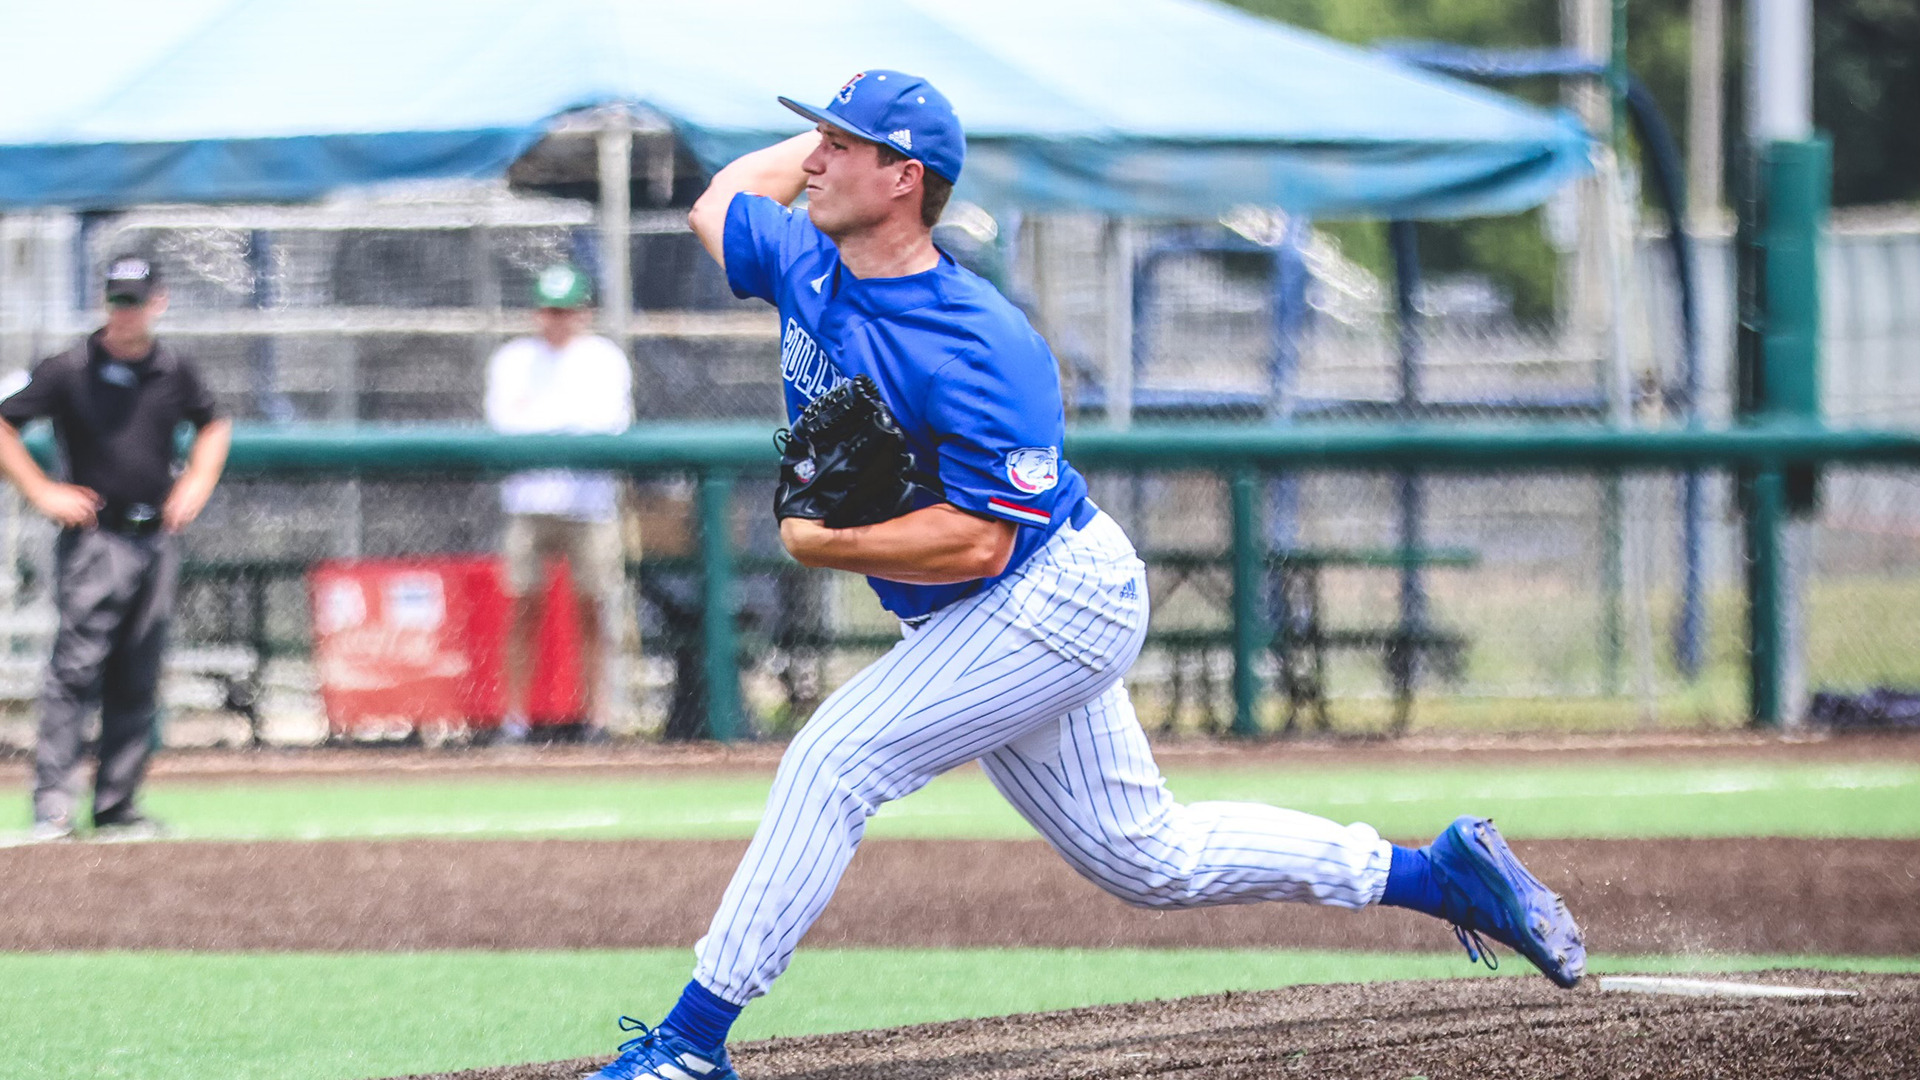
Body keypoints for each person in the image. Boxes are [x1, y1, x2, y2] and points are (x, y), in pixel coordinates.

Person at [582, 72, 1586, 1080]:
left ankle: (689, 1044)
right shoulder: (805, 264)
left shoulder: (984, 342)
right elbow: (717, 205)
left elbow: (978, 542)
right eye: (820, 142)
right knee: (1149, 860)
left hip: (1054, 596)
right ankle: (1440, 877)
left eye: (843, 144)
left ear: (904, 178)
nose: (818, 159)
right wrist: (804, 154)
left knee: (835, 761)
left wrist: (827, 545)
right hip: (968, 620)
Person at [0, 255, 230, 843]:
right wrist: (41, 490)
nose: (125, 312)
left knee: (139, 673)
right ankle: (53, 808)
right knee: (75, 671)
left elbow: (214, 423)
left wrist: (197, 482)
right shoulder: (70, 367)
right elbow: (4, 424)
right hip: (95, 543)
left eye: (136, 300)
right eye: (117, 300)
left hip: (155, 536)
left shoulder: (173, 368)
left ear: (159, 301)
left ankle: (118, 807)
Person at [483, 264, 633, 738]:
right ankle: (515, 719)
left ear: (584, 313)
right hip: (528, 501)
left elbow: (607, 423)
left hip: (590, 503)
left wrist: (548, 422)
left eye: (566, 311)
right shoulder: (512, 359)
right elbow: (505, 423)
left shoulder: (605, 359)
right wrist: (561, 422)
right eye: (550, 310)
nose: (557, 320)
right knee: (522, 606)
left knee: (594, 606)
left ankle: (599, 717)